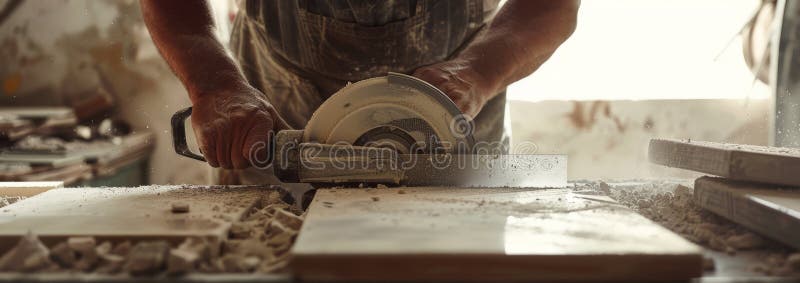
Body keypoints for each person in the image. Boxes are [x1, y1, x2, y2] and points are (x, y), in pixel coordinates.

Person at [141, 0, 579, 184]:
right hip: (276, 125)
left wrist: (474, 73)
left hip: (452, 127)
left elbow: (549, 7)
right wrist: (217, 84)